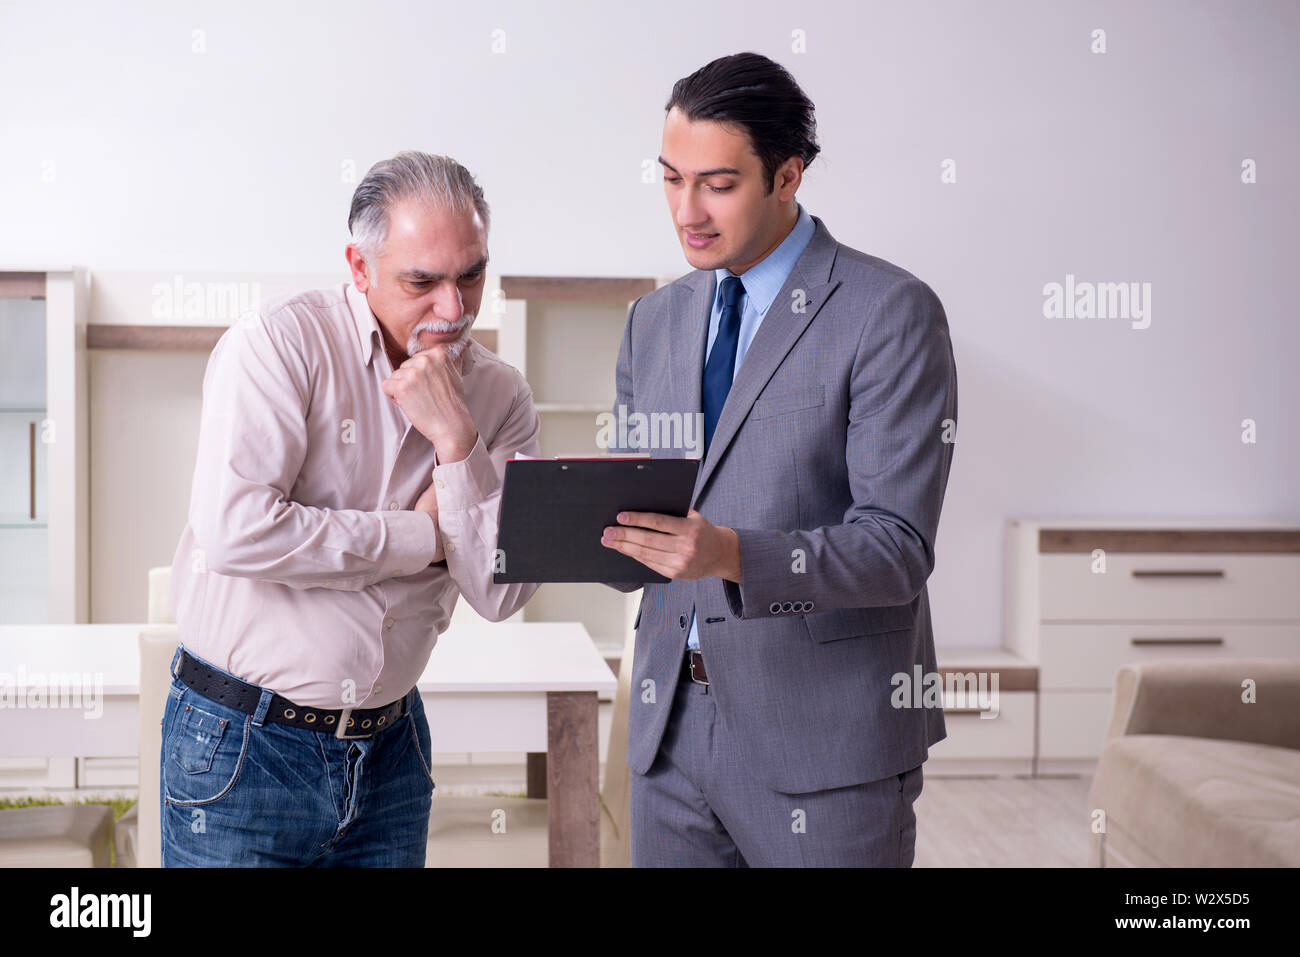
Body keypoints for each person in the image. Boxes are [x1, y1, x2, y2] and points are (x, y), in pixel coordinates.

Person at [601, 52, 959, 866]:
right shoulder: (653, 320)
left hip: (826, 745)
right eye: (669, 178)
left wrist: (728, 552)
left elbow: (897, 546)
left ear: (788, 175)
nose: (686, 210)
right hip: (669, 739)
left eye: (717, 184)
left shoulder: (888, 313)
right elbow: (646, 516)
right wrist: (585, 521)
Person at [162, 150, 540, 866]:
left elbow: (501, 589)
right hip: (243, 744)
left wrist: (458, 443)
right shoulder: (279, 344)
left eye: (472, 275)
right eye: (421, 281)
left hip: (393, 751)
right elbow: (237, 533)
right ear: (360, 267)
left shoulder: (499, 398)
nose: (453, 310)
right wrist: (422, 535)